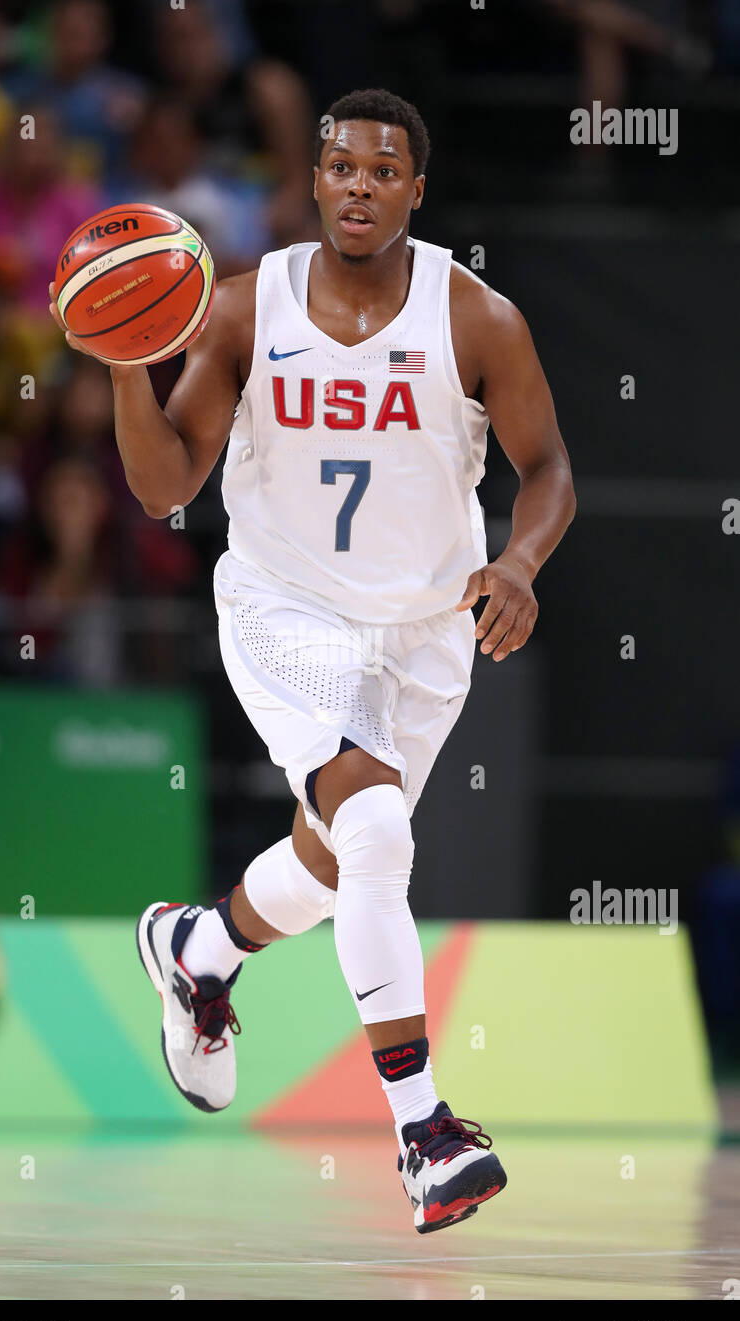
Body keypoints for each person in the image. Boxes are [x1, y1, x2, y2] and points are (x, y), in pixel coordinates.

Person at [49, 88, 576, 1235]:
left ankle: (198, 945)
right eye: (339, 166)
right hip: (286, 609)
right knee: (378, 831)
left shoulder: (478, 318)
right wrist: (124, 361)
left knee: (338, 860)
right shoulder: (243, 307)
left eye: (383, 171)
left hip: (428, 631)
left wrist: (521, 565)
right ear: (318, 178)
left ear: (414, 192)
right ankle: (425, 1129)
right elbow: (163, 486)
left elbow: (548, 473)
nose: (356, 186)